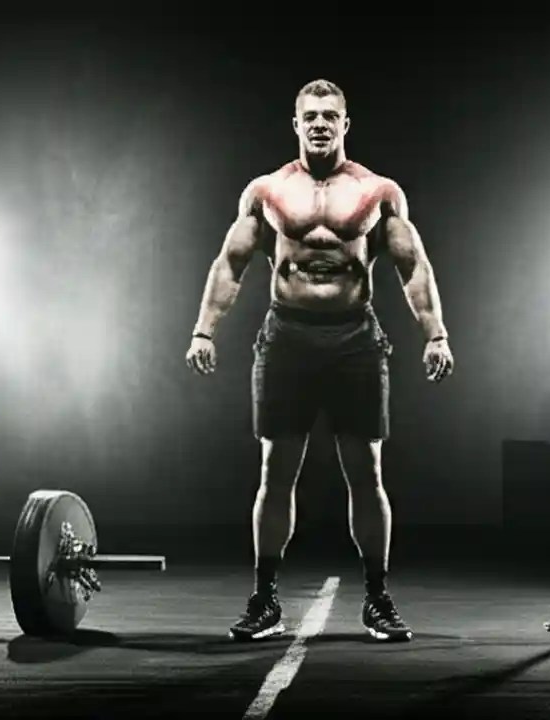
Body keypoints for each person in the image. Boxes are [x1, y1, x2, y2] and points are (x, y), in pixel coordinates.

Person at [185, 79, 454, 643]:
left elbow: (413, 266)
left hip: (355, 339)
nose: (320, 124)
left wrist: (435, 335)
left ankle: (378, 598)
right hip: (287, 337)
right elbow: (230, 264)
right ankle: (264, 600)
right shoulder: (267, 191)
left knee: (367, 474)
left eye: (331, 115)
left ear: (346, 124)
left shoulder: (378, 193)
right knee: (275, 474)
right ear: (296, 123)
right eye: (311, 115)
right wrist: (204, 330)